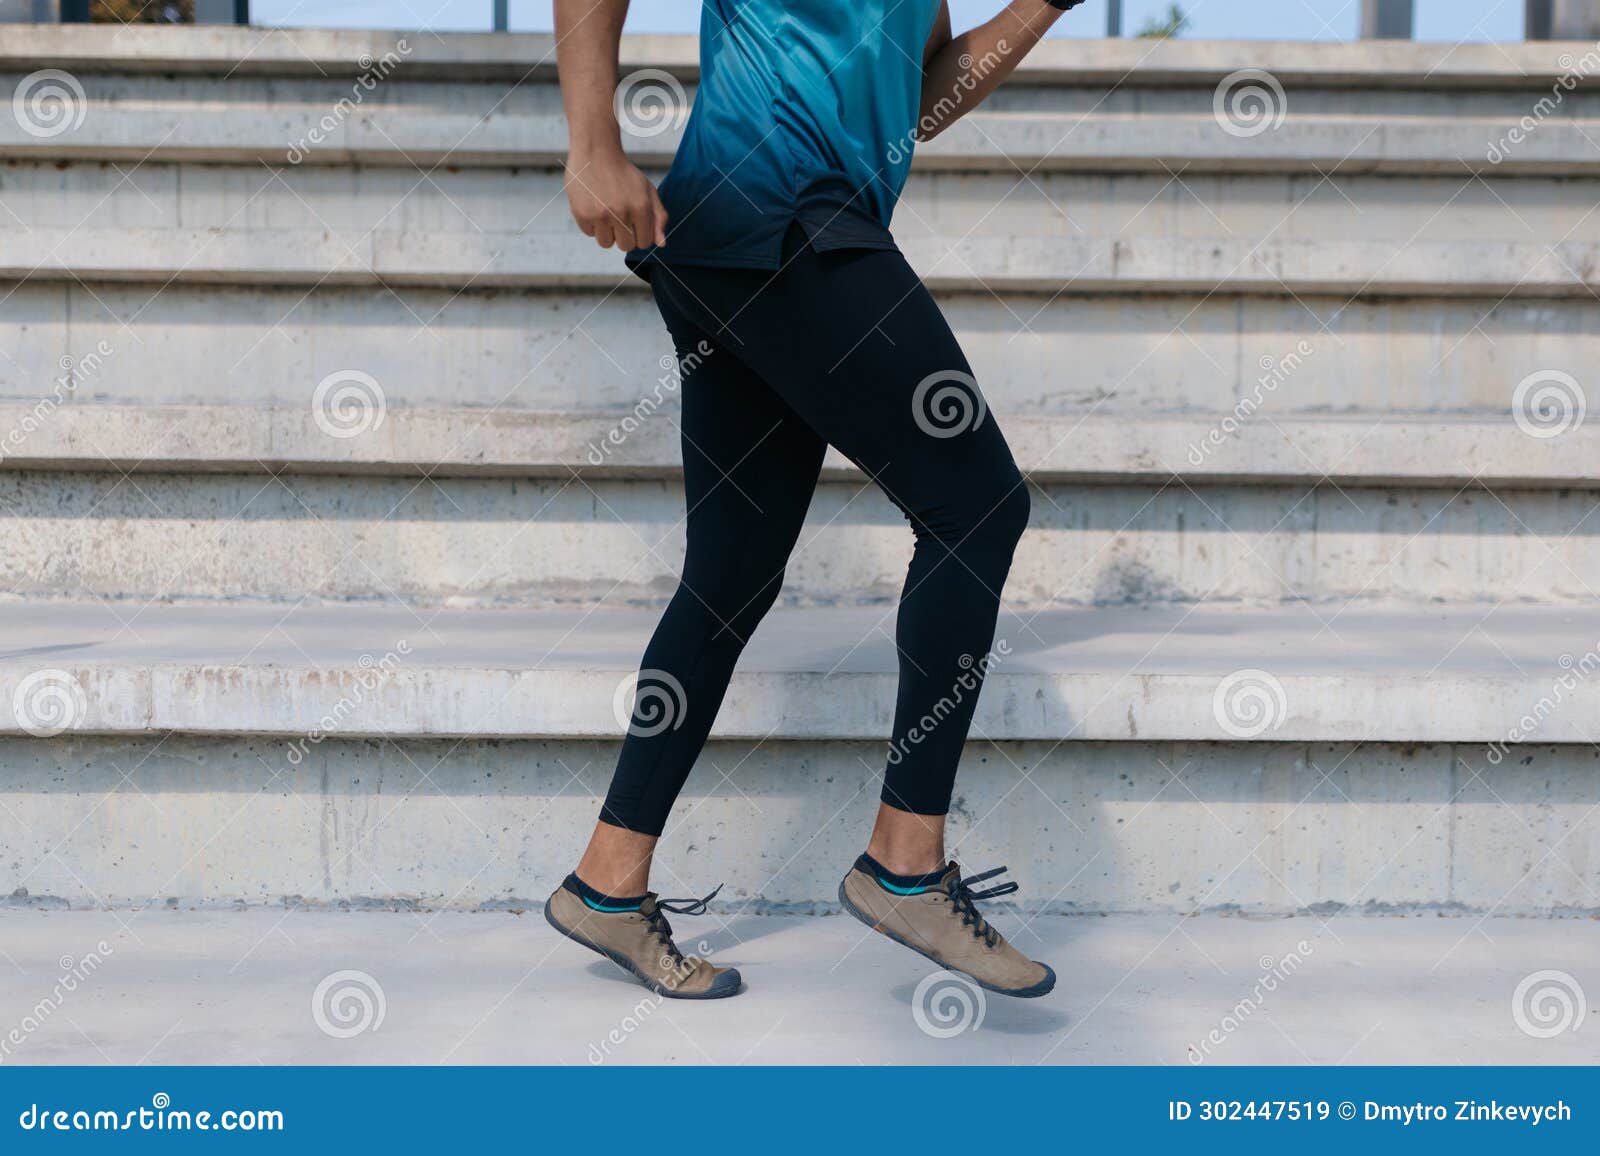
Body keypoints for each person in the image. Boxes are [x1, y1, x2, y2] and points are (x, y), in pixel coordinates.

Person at [544, 0, 1083, 1000]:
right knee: (977, 506)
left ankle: (607, 881)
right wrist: (593, 142)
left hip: (754, 236)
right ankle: (904, 862)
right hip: (783, 214)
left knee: (730, 573)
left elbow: (921, 97)